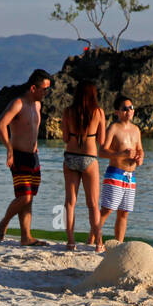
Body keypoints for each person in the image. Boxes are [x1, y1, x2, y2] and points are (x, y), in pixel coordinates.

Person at [0, 68, 52, 246]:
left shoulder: (37, 105)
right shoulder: (18, 103)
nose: (46, 93)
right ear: (33, 88)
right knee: (24, 197)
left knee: (29, 197)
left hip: (33, 156)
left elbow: (31, 130)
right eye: (44, 89)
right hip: (18, 156)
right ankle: (2, 225)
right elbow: (1, 124)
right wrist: (9, 149)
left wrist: (35, 148)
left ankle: (26, 237)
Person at [60, 80, 106, 251]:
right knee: (93, 203)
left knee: (70, 202)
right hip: (89, 158)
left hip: (70, 156)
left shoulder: (68, 111)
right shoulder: (98, 112)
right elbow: (101, 140)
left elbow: (65, 138)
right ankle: (99, 243)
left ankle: (71, 242)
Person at [98, 95, 144, 245]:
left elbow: (140, 150)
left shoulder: (136, 130)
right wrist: (120, 154)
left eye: (131, 108)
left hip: (130, 176)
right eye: (125, 108)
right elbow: (102, 151)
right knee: (107, 210)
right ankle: (93, 240)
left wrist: (140, 158)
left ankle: (119, 244)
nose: (129, 111)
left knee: (124, 212)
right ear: (117, 112)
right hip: (115, 173)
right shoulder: (114, 128)